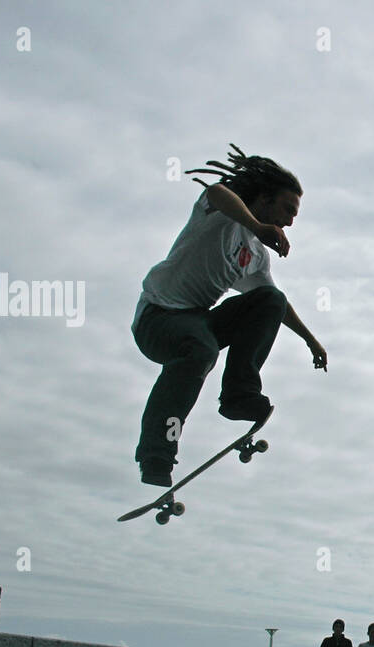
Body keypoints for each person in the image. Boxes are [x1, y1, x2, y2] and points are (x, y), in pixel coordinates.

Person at [130, 144, 328, 486]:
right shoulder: (219, 213)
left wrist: (311, 341)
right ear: (264, 198)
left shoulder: (254, 254)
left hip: (198, 321)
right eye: (287, 209)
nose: (290, 221)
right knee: (201, 348)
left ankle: (238, 395)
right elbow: (218, 192)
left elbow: (276, 306)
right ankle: (155, 455)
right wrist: (255, 224)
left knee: (270, 299)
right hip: (157, 319)